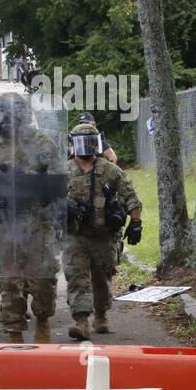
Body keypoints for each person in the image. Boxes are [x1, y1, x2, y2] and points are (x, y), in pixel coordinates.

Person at [0, 93, 66, 343]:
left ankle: (43, 321)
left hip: (37, 222)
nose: (0, 119)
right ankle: (14, 331)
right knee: (9, 282)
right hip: (6, 223)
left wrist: (26, 179)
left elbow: (58, 178)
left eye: (5, 113)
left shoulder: (41, 142)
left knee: (43, 279)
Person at [64, 122, 142, 339]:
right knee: (76, 276)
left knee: (101, 278)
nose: (86, 148)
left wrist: (136, 223)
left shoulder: (109, 170)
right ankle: (81, 321)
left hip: (103, 236)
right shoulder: (64, 171)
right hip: (75, 236)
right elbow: (47, 200)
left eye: (91, 142)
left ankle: (101, 315)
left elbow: (131, 196)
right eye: (82, 143)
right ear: (73, 145)